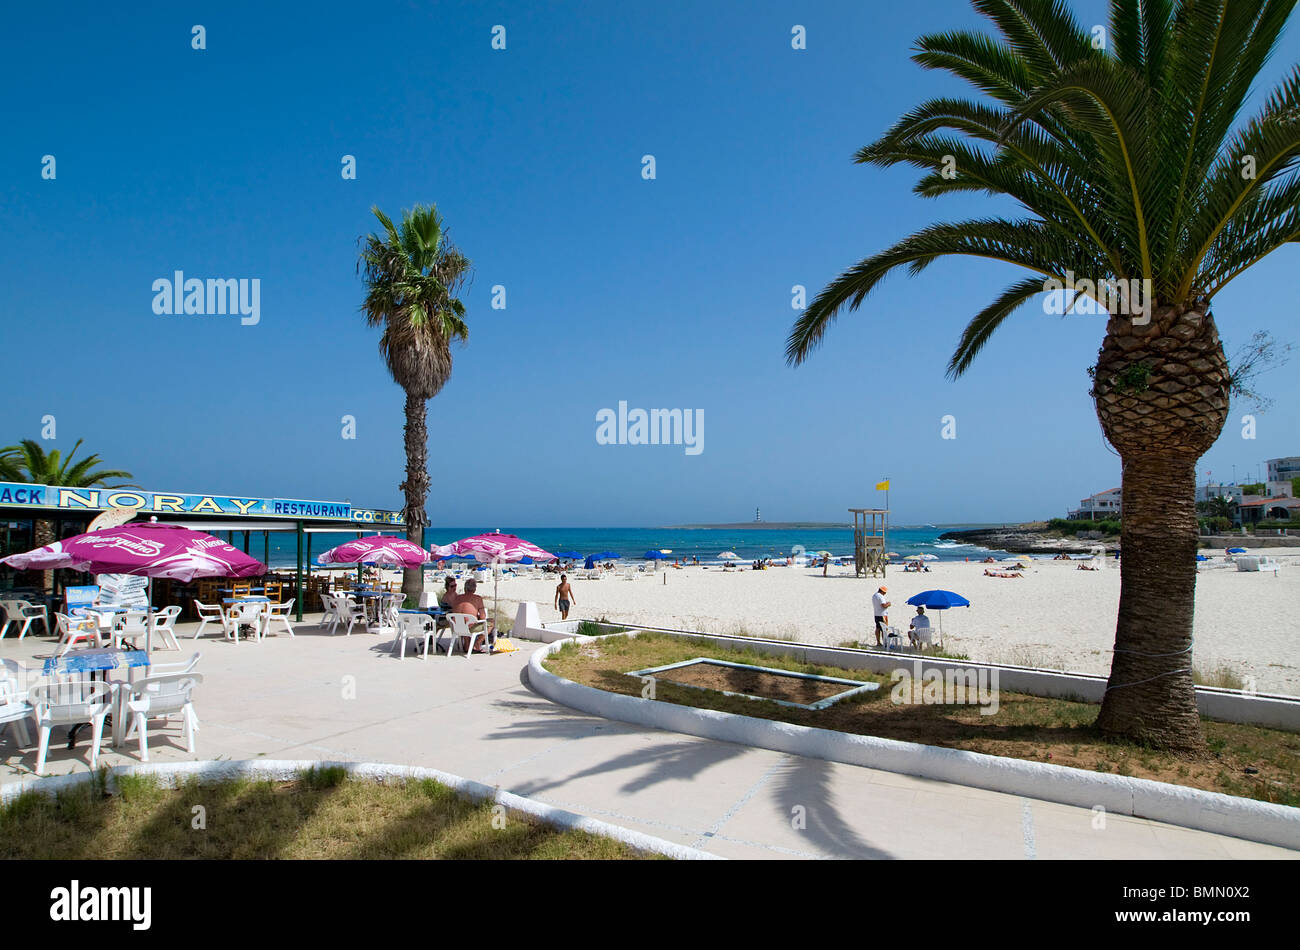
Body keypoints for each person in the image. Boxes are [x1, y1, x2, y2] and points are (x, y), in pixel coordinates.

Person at [450, 578, 493, 653]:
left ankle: (467, 645)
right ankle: (477, 643)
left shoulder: (457, 598)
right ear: (474, 589)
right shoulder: (478, 598)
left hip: (457, 627)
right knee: (491, 622)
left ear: (464, 588)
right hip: (469, 627)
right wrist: (478, 617)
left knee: (465, 620)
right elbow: (483, 617)